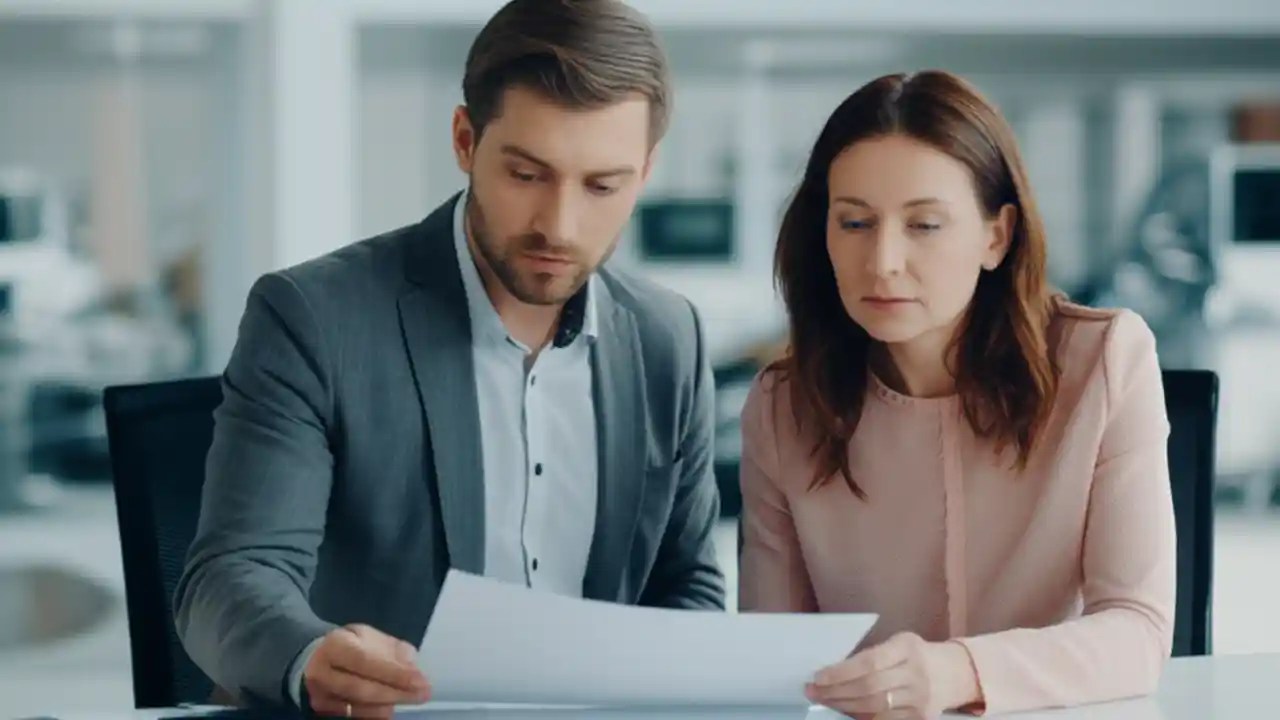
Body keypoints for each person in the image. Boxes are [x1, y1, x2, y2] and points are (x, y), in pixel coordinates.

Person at [175, 0, 726, 715]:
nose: (559, 225)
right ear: (466, 140)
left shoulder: (667, 338)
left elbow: (687, 587)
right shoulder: (314, 318)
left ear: (646, 173)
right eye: (527, 174)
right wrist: (311, 655)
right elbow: (229, 577)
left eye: (601, 186)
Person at [738, 70, 1175, 718]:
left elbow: (1138, 632)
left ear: (996, 235)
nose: (882, 260)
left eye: (924, 225)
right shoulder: (782, 408)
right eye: (854, 222)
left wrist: (957, 673)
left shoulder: (1106, 362)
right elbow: (771, 660)